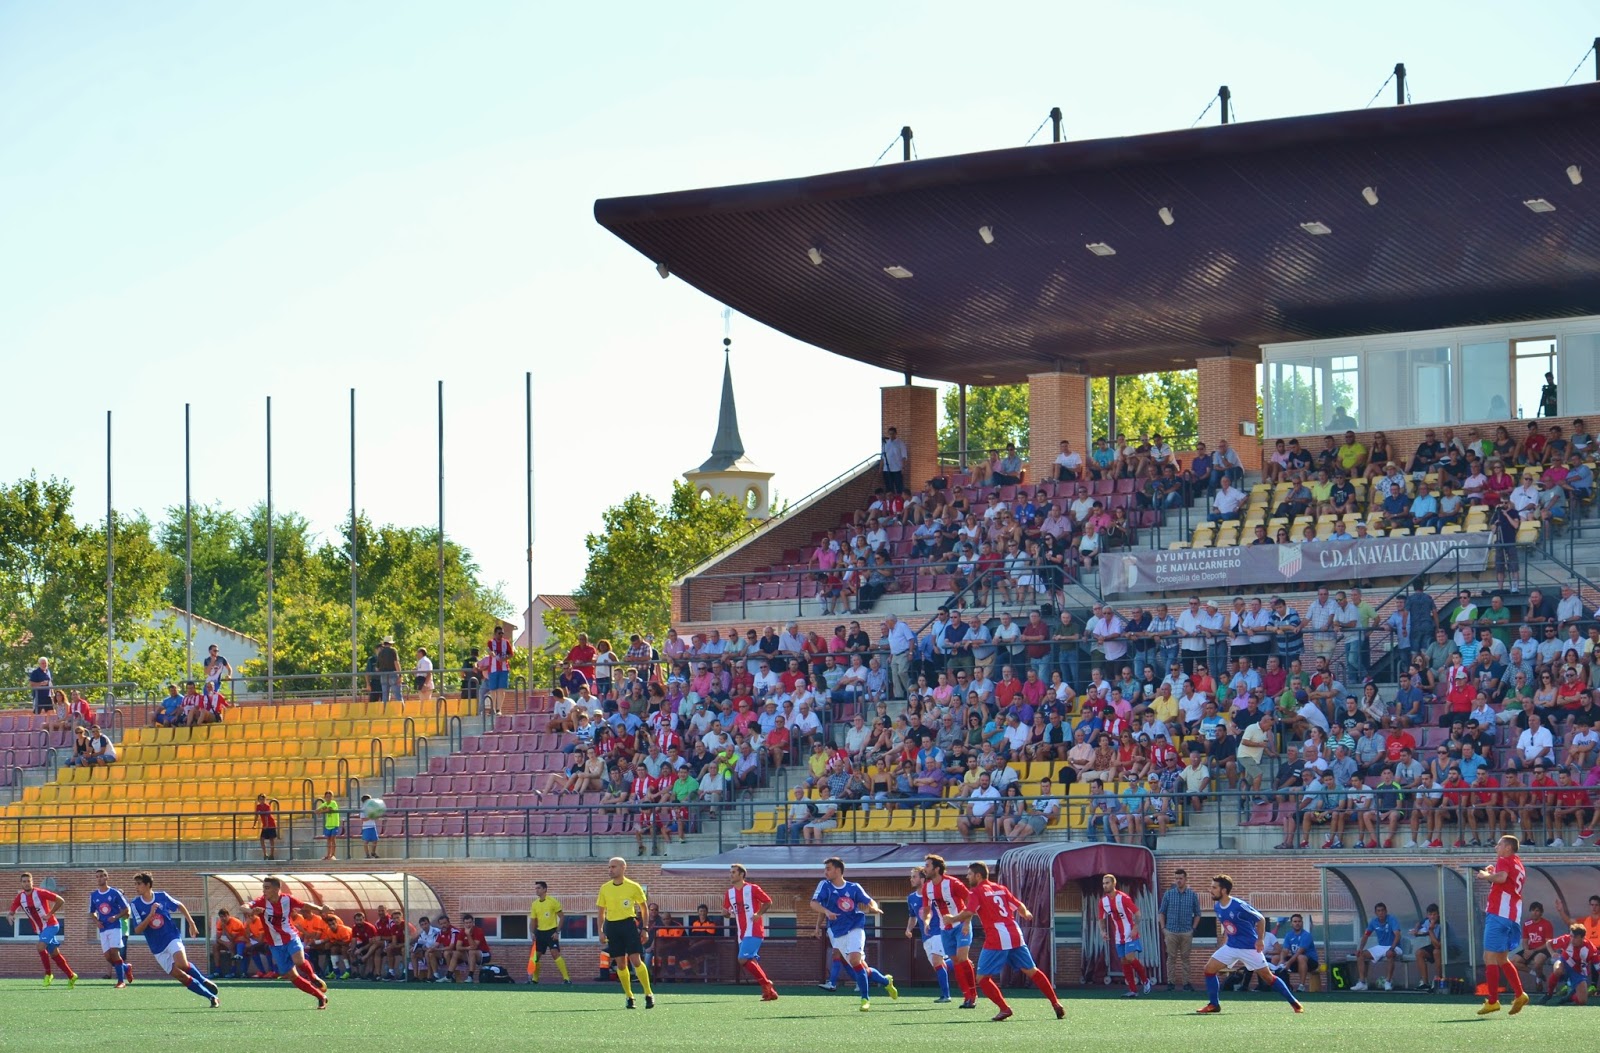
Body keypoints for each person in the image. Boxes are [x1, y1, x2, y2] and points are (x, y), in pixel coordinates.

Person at [949, 860, 1064, 1023]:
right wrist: (1025, 913)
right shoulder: (1001, 888)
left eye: (969, 874)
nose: (967, 877)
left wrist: (952, 919)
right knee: (1032, 971)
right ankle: (1055, 1003)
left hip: (997, 937)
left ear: (978, 875)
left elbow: (969, 912)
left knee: (982, 979)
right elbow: (1019, 905)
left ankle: (1004, 1009)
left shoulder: (976, 891)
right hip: (1014, 933)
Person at [1196, 874, 1303, 1014]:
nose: (1210, 890)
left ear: (1223, 890)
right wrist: (1224, 945)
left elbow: (1260, 919)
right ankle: (1214, 1005)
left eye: (1214, 887)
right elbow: (1229, 927)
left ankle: (1294, 1003)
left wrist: (1260, 940)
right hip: (1231, 947)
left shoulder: (1239, 905)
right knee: (1209, 970)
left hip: (1249, 948)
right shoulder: (1217, 906)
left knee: (1268, 977)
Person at [811, 855, 896, 1011]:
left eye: (828, 869)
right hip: (838, 933)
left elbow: (869, 900)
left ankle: (865, 999)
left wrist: (873, 907)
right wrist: (826, 912)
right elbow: (814, 903)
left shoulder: (854, 887)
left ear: (838, 870)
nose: (825, 872)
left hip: (856, 928)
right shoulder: (824, 885)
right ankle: (886, 981)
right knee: (862, 968)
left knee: (855, 960)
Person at [127, 872, 218, 1007]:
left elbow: (179, 905)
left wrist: (191, 923)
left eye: (139, 884)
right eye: (135, 884)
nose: (136, 887)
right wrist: (151, 914)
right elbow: (138, 930)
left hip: (171, 937)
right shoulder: (135, 904)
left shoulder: (162, 896)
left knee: (182, 964)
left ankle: (202, 979)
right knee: (181, 977)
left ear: (148, 884)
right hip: (157, 948)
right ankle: (211, 997)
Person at [248, 875, 330, 1007]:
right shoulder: (261, 901)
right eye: (263, 887)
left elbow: (304, 905)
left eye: (267, 888)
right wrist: (251, 910)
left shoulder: (287, 899)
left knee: (299, 961)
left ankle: (312, 976)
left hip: (291, 937)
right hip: (274, 944)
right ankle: (320, 996)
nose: (264, 890)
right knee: (292, 976)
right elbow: (244, 906)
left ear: (276, 889)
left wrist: (320, 909)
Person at [1476, 834, 1530, 1016]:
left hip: (1499, 914)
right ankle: (1519, 994)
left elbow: (1501, 878)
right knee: (1501, 958)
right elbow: (1505, 879)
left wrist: (1486, 875)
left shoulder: (1504, 859)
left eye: (1499, 844)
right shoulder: (1518, 863)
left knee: (1488, 957)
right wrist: (1493, 873)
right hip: (1512, 916)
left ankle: (1492, 1001)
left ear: (1508, 848)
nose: (1496, 848)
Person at [597, 857, 656, 1009]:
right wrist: (601, 931)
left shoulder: (634, 886)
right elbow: (601, 911)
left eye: (613, 867)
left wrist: (645, 929)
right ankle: (629, 996)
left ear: (623, 867)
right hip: (612, 927)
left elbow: (644, 908)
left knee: (635, 960)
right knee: (621, 964)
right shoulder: (604, 888)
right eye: (609, 867)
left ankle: (648, 993)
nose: (610, 870)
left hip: (628, 925)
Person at [922, 853, 978, 1007]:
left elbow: (971, 901)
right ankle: (966, 996)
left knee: (962, 958)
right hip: (944, 929)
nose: (924, 869)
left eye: (927, 866)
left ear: (937, 869)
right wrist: (926, 921)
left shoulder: (953, 883)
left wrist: (967, 922)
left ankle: (973, 995)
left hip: (960, 925)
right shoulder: (927, 887)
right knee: (956, 961)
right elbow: (927, 909)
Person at [8, 872, 75, 987]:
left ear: (32, 882)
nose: (27, 883)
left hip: (51, 925)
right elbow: (11, 912)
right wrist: (10, 916)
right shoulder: (20, 897)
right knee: (54, 954)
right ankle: (71, 976)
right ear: (21, 883)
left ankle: (48, 974)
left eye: (28, 881)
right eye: (24, 881)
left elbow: (60, 900)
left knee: (40, 947)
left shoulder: (40, 893)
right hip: (40, 930)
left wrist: (50, 914)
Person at [725, 863, 778, 1001]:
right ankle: (770, 992)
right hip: (741, 933)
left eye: (733, 872)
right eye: (730, 872)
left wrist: (758, 914)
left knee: (742, 959)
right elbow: (726, 912)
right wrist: (725, 913)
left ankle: (766, 983)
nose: (731, 875)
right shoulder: (729, 893)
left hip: (754, 929)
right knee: (751, 961)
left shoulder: (752, 888)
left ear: (742, 874)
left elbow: (768, 902)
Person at [905, 868, 953, 1003]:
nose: (911, 879)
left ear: (922, 879)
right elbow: (913, 916)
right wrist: (908, 929)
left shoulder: (933, 894)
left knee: (937, 962)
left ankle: (946, 996)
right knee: (938, 965)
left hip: (939, 932)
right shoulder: (911, 898)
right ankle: (958, 962)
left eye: (914, 877)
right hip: (926, 936)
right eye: (911, 877)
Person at [1099, 873, 1150, 997]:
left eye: (1107, 883)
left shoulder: (1123, 898)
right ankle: (1133, 990)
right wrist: (1103, 931)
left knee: (1130, 957)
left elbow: (1137, 913)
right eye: (1104, 883)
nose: (1105, 885)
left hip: (1130, 932)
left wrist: (1135, 929)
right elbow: (1101, 918)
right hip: (1118, 935)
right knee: (1124, 960)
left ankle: (1145, 980)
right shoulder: (1103, 901)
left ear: (1114, 884)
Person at [1158, 867, 1203, 992]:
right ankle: (1171, 983)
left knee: (1185, 958)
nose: (1178, 881)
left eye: (1181, 878)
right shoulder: (1168, 894)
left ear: (1185, 879)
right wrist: (1163, 928)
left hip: (1186, 932)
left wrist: (1193, 928)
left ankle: (1186, 983)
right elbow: (1161, 912)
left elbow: (1198, 914)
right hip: (1171, 931)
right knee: (1171, 958)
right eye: (1176, 878)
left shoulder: (1192, 895)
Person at [89, 868, 133, 988]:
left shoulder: (114, 893)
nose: (100, 878)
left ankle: (121, 982)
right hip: (103, 928)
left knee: (115, 953)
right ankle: (126, 967)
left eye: (102, 876)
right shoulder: (94, 895)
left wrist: (116, 916)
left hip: (115, 927)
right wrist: (96, 921)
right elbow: (92, 912)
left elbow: (126, 909)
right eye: (97, 876)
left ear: (107, 877)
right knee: (108, 957)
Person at [1351, 902, 1401, 991]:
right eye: (1378, 911)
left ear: (1386, 911)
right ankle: (1362, 983)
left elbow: (1397, 935)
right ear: (1376, 913)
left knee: (1389, 954)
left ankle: (1388, 982)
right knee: (1360, 955)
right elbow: (1366, 935)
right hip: (1381, 947)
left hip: (1394, 946)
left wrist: (1392, 948)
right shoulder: (1373, 922)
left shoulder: (1392, 919)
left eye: (1382, 910)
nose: (1381, 913)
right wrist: (1360, 949)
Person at [528, 881, 571, 984]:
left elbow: (562, 917)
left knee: (554, 953)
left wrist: (557, 932)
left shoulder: (552, 901)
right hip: (539, 933)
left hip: (551, 932)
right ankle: (534, 980)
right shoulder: (534, 904)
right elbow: (533, 920)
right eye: (535, 888)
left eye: (538, 888)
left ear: (545, 889)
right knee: (535, 957)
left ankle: (567, 979)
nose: (536, 890)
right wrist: (532, 933)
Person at [1280, 913, 1319, 993]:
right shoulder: (1289, 935)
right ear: (1291, 923)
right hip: (1296, 961)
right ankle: (1283, 986)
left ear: (1302, 923)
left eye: (1299, 921)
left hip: (1311, 962)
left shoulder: (1306, 935)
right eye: (1295, 921)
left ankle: (1301, 986)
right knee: (1276, 958)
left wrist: (1289, 963)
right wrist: (1281, 961)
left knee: (1300, 957)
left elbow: (1300, 952)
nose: (1297, 923)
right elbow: (1285, 950)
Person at [316, 791, 342, 861]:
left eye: (330, 797)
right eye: (327, 797)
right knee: (328, 840)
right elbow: (317, 810)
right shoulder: (324, 804)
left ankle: (333, 855)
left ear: (332, 797)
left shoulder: (333, 803)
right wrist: (321, 809)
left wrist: (322, 810)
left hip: (334, 824)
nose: (328, 798)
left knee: (333, 839)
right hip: (328, 824)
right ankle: (328, 855)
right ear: (325, 797)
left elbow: (329, 809)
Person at [359, 794, 385, 859]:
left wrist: (377, 815)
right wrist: (370, 817)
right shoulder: (363, 809)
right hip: (366, 827)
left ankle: (373, 852)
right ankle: (367, 854)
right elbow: (363, 819)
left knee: (375, 840)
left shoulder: (372, 808)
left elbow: (375, 817)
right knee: (366, 841)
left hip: (373, 826)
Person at [255, 794, 279, 860]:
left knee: (271, 839)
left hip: (270, 824)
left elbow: (267, 816)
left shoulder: (267, 806)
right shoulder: (258, 806)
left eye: (263, 799)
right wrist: (254, 824)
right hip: (265, 824)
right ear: (258, 800)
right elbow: (256, 815)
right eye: (260, 799)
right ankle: (265, 854)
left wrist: (266, 825)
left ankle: (272, 855)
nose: (262, 801)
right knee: (262, 839)